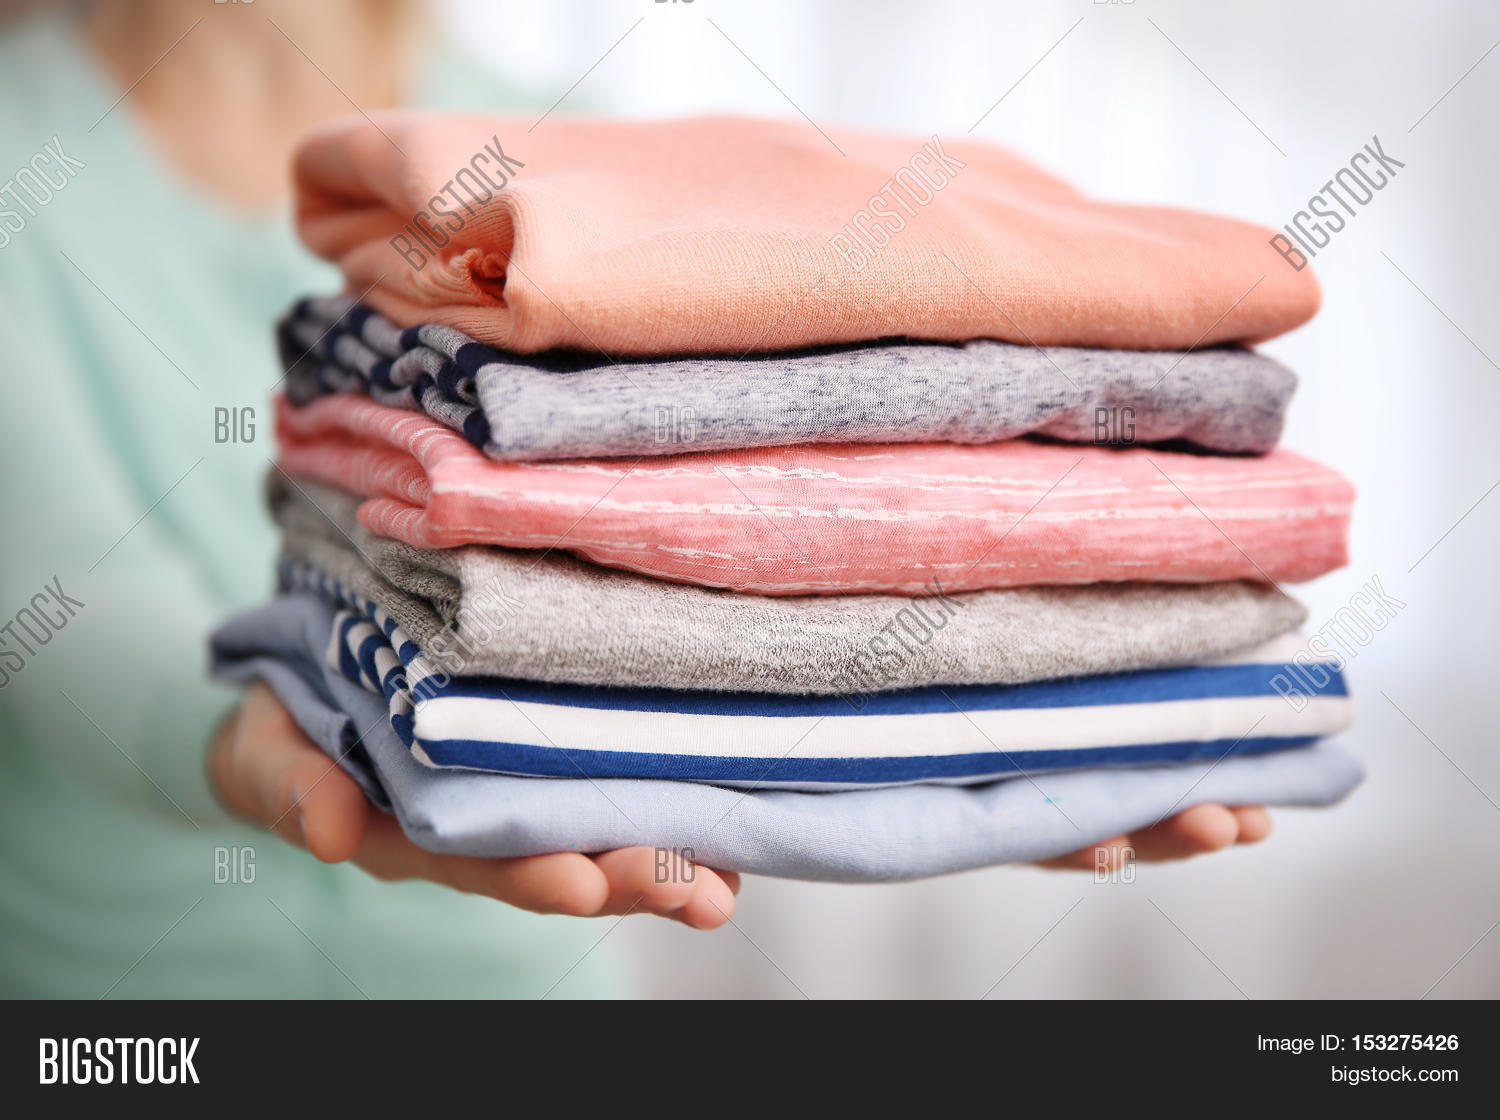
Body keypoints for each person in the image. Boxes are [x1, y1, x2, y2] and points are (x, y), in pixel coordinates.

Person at [0, 0, 1274, 999]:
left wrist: (978, 730)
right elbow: (59, 590)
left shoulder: (566, 159)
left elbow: (691, 540)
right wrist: (242, 742)